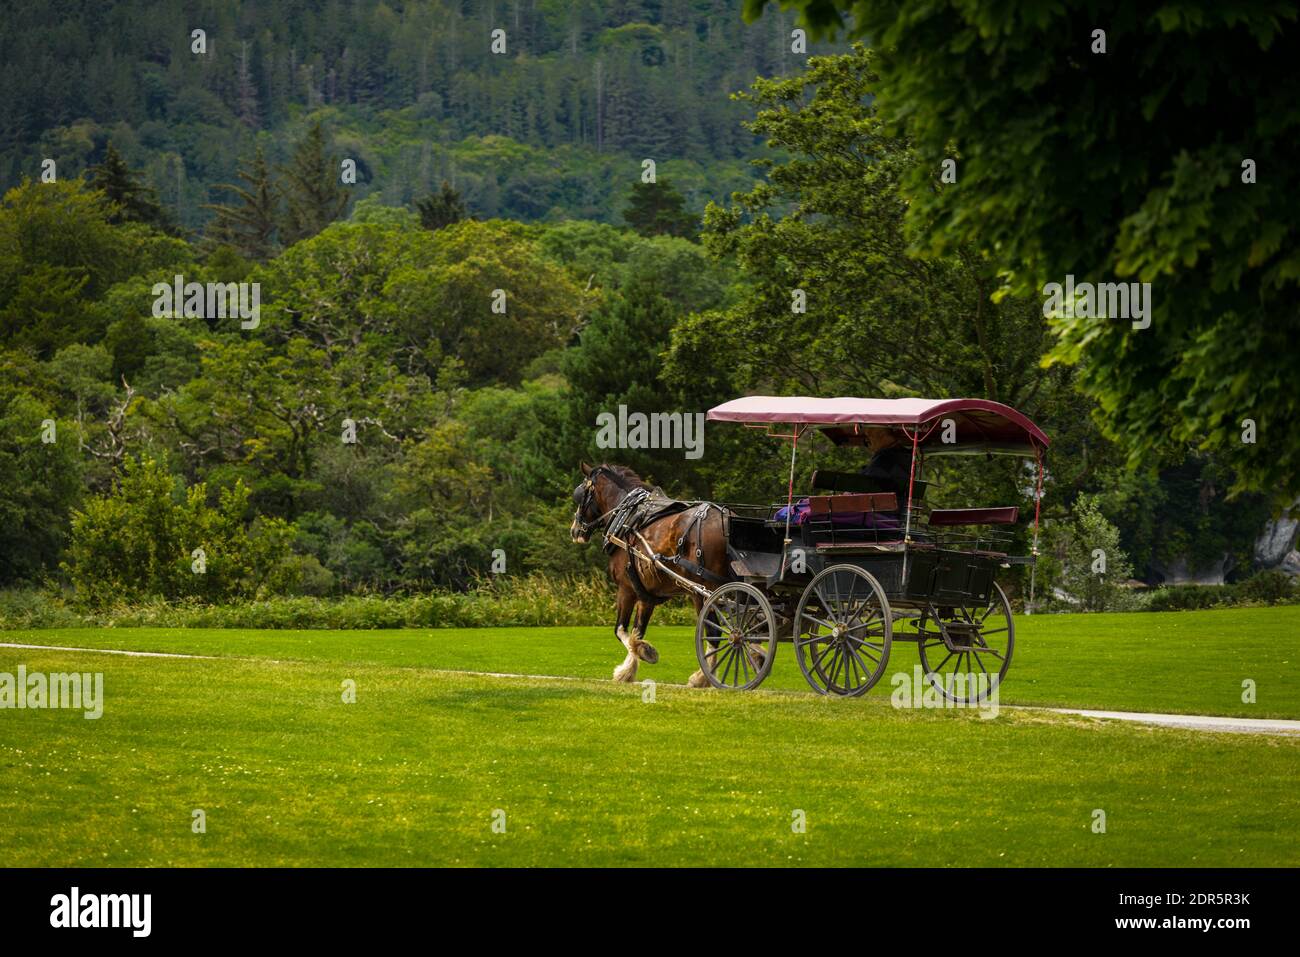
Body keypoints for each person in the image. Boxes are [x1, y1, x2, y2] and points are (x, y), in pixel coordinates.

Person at [857, 428, 914, 504]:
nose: (868, 442)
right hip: (895, 508)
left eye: (869, 437)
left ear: (882, 436)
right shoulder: (904, 456)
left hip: (879, 510)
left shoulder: (884, 459)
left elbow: (864, 482)